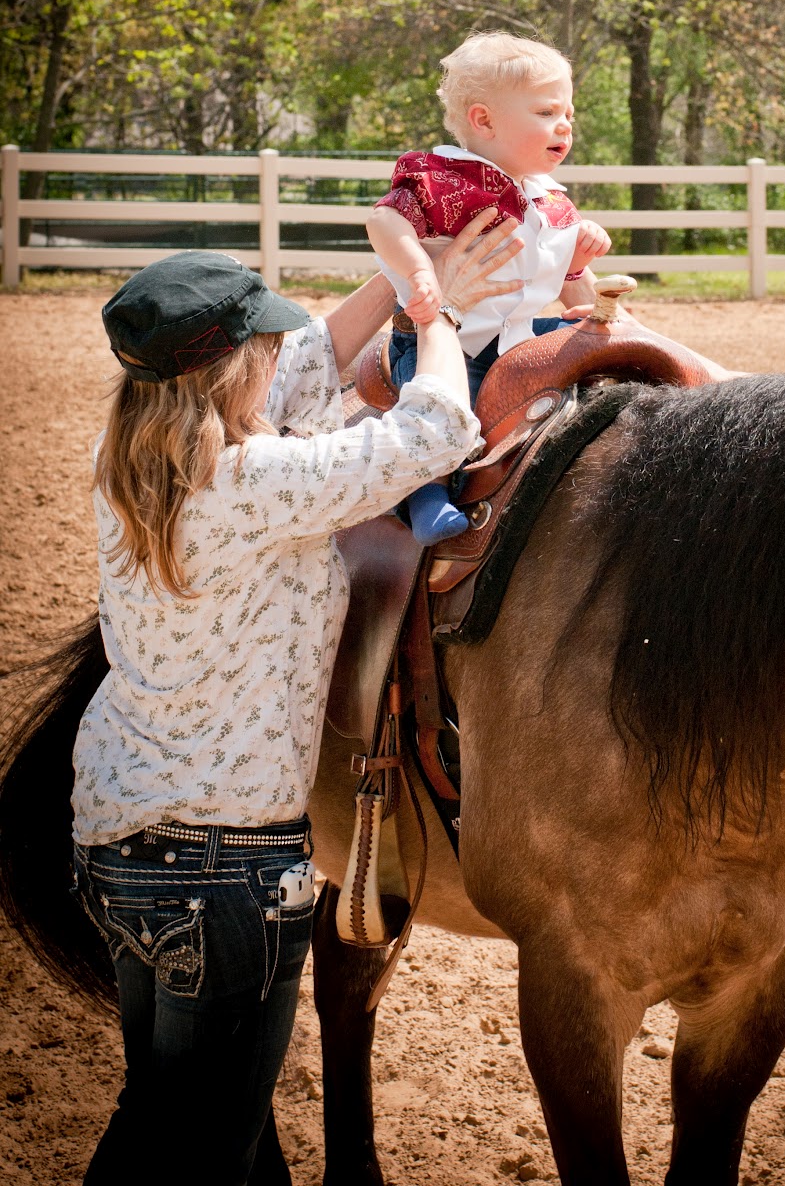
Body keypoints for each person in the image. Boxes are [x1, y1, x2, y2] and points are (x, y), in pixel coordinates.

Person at [71, 214, 521, 1186]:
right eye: (264, 348)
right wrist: (429, 306)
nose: (283, 356)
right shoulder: (253, 483)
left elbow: (313, 356)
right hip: (225, 868)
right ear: (233, 372)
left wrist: (404, 270)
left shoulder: (133, 461)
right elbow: (437, 430)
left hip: (118, 840)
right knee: (206, 1151)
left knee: (162, 1116)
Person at [366, 31, 611, 544]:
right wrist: (419, 272)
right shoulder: (446, 181)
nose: (565, 125)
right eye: (546, 112)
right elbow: (385, 220)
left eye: (569, 113)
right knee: (447, 406)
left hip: (519, 332)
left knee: (601, 354)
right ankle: (426, 494)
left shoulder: (548, 197)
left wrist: (589, 288)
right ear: (483, 121)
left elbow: (569, 278)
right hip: (449, 339)